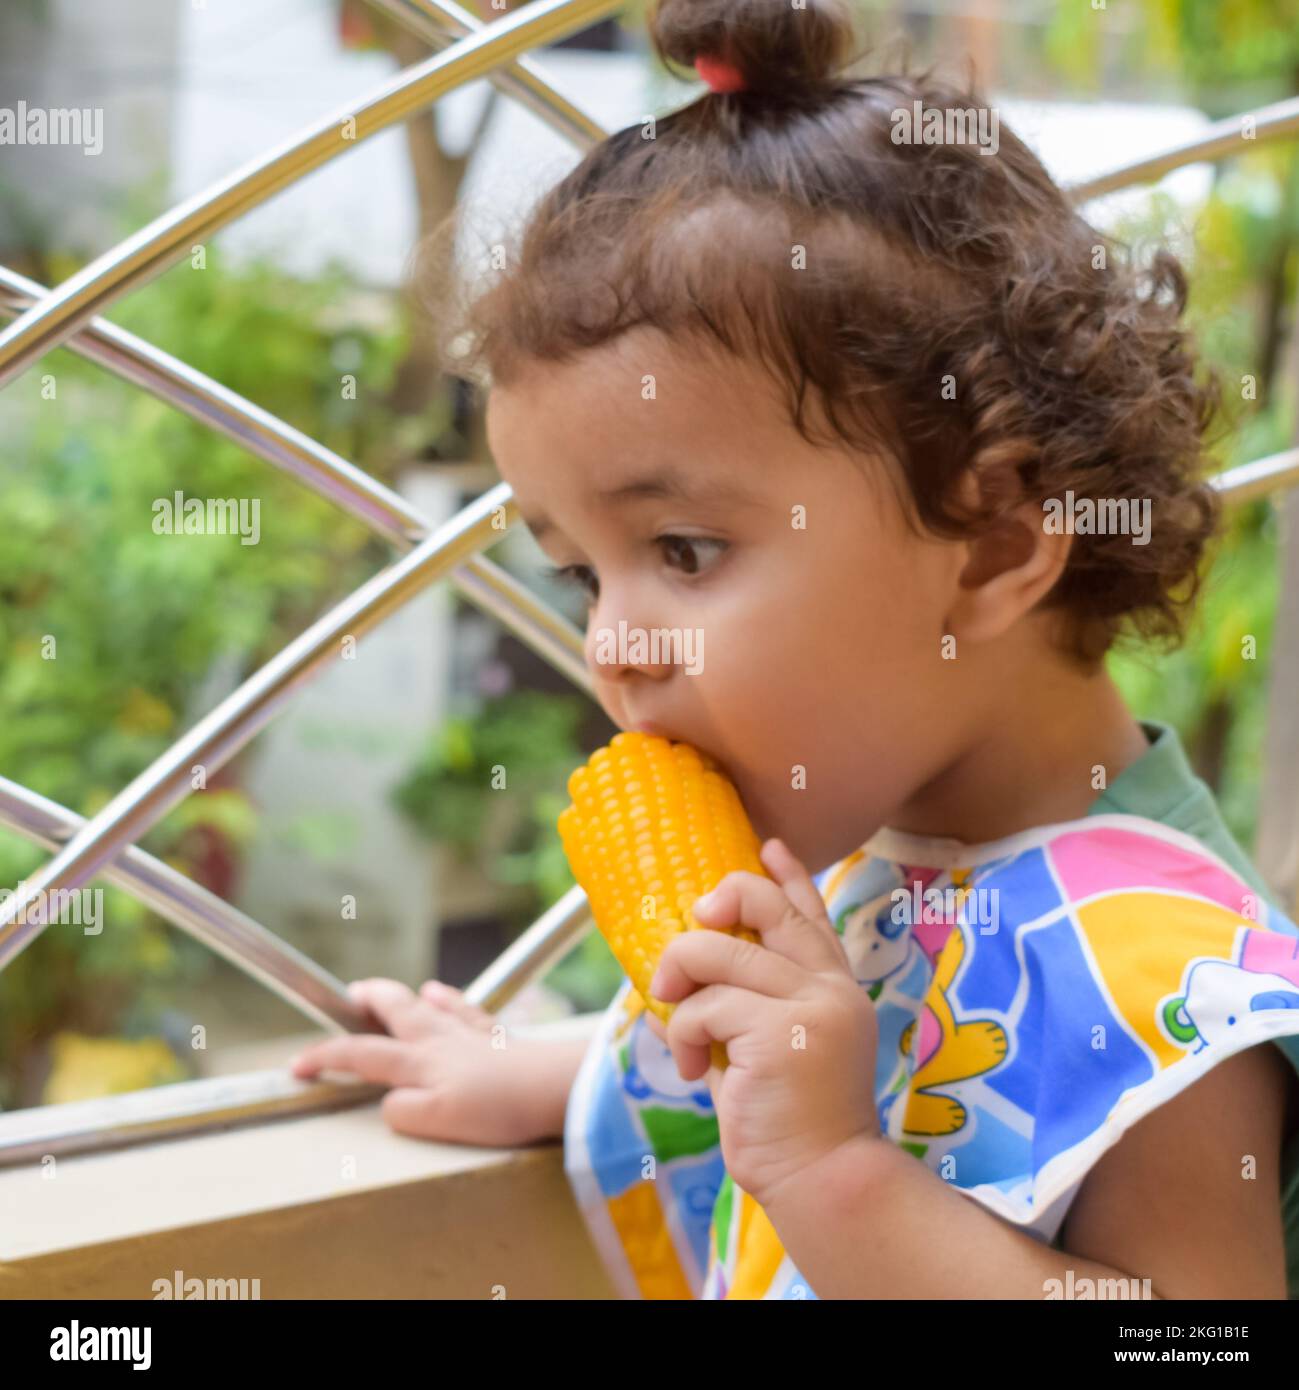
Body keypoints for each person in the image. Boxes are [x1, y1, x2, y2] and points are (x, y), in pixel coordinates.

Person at [291, 0, 1299, 1299]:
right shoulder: (889, 833)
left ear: (992, 543)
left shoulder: (1172, 985)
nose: (613, 644)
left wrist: (837, 1176)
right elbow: (808, 1045)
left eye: (686, 552)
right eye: (581, 571)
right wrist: (546, 1072)